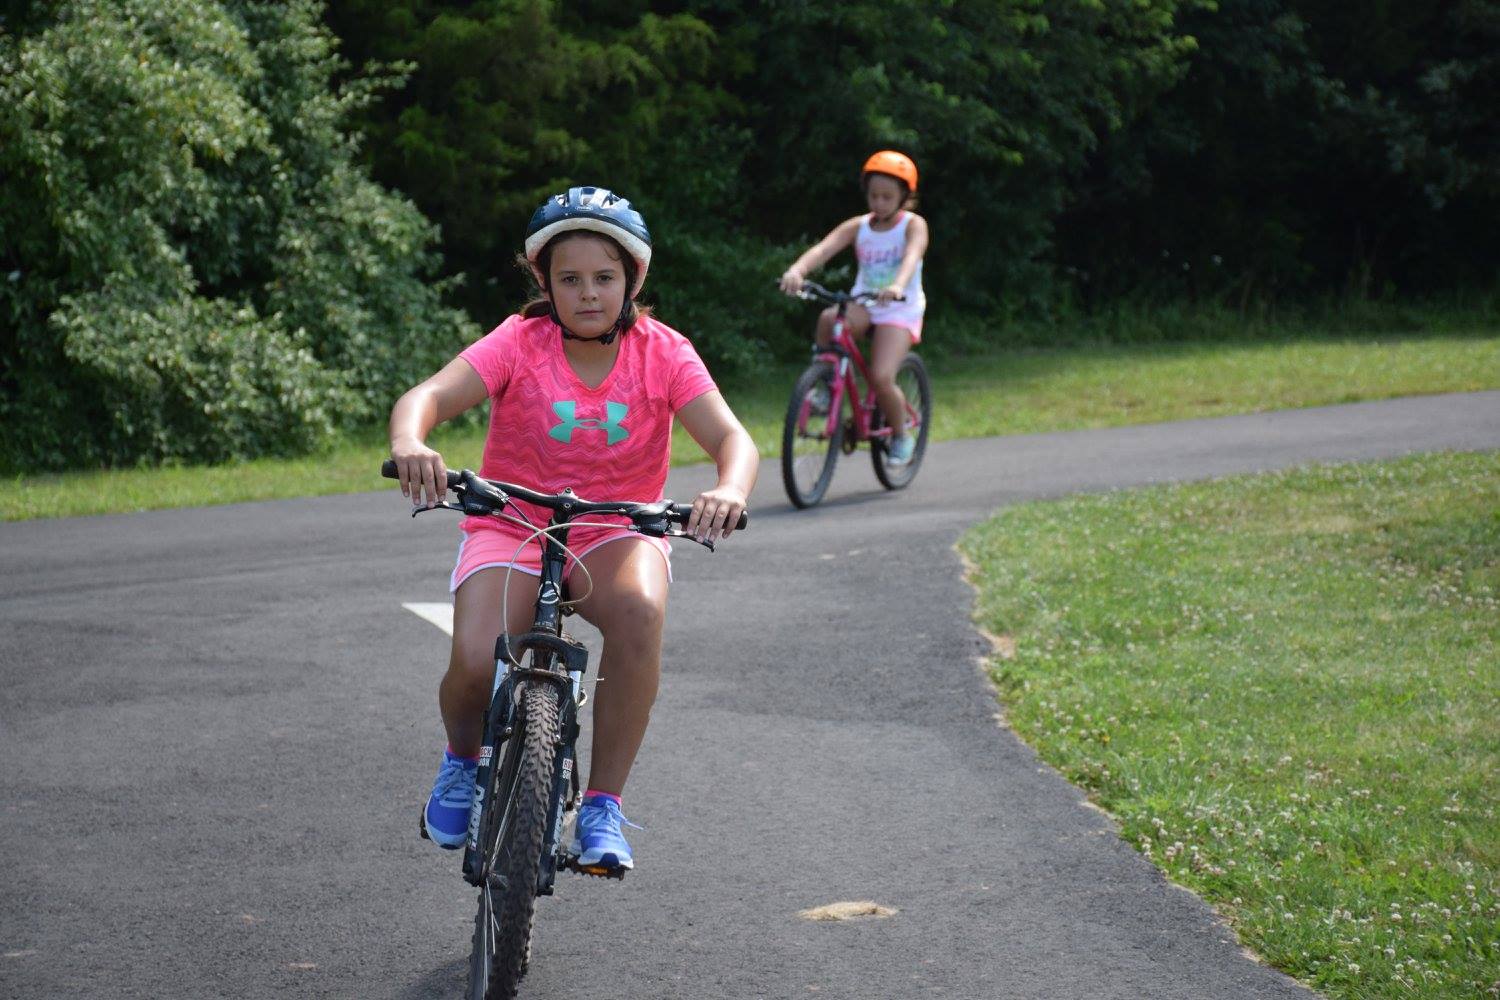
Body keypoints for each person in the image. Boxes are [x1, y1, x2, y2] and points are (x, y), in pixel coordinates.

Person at [388, 186, 758, 871]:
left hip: (618, 530)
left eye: (604, 278)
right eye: (570, 279)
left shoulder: (666, 353)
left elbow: (733, 439)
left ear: (631, 281)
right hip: (513, 521)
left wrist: (729, 487)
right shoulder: (518, 342)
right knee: (474, 658)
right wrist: (414, 442)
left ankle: (602, 806)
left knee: (642, 613)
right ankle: (462, 764)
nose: (588, 293)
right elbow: (428, 397)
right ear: (544, 284)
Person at [778, 150, 929, 464]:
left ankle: (901, 435)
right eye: (874, 195)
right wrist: (797, 271)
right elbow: (823, 249)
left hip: (899, 308)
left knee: (882, 377)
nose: (879, 203)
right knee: (829, 318)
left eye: (887, 197)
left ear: (904, 196)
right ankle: (825, 384)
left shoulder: (913, 225)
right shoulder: (859, 226)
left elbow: (913, 255)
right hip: (865, 303)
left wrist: (898, 285)